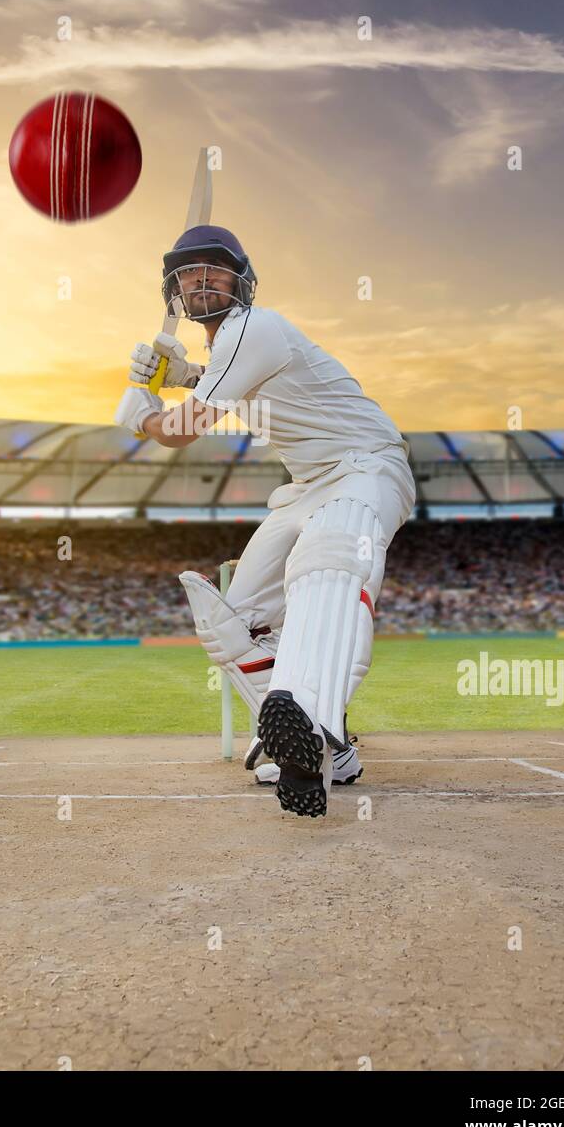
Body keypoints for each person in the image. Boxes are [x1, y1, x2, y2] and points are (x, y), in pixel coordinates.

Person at [114, 225, 415, 818]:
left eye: (215, 268)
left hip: (364, 468)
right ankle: (327, 748)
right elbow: (245, 393)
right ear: (174, 289)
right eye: (188, 271)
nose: (201, 277)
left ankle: (315, 730)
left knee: (324, 564)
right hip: (306, 485)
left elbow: (180, 432)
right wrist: (179, 378)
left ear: (242, 282)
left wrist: (142, 412)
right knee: (235, 621)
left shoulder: (258, 326)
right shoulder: (233, 350)